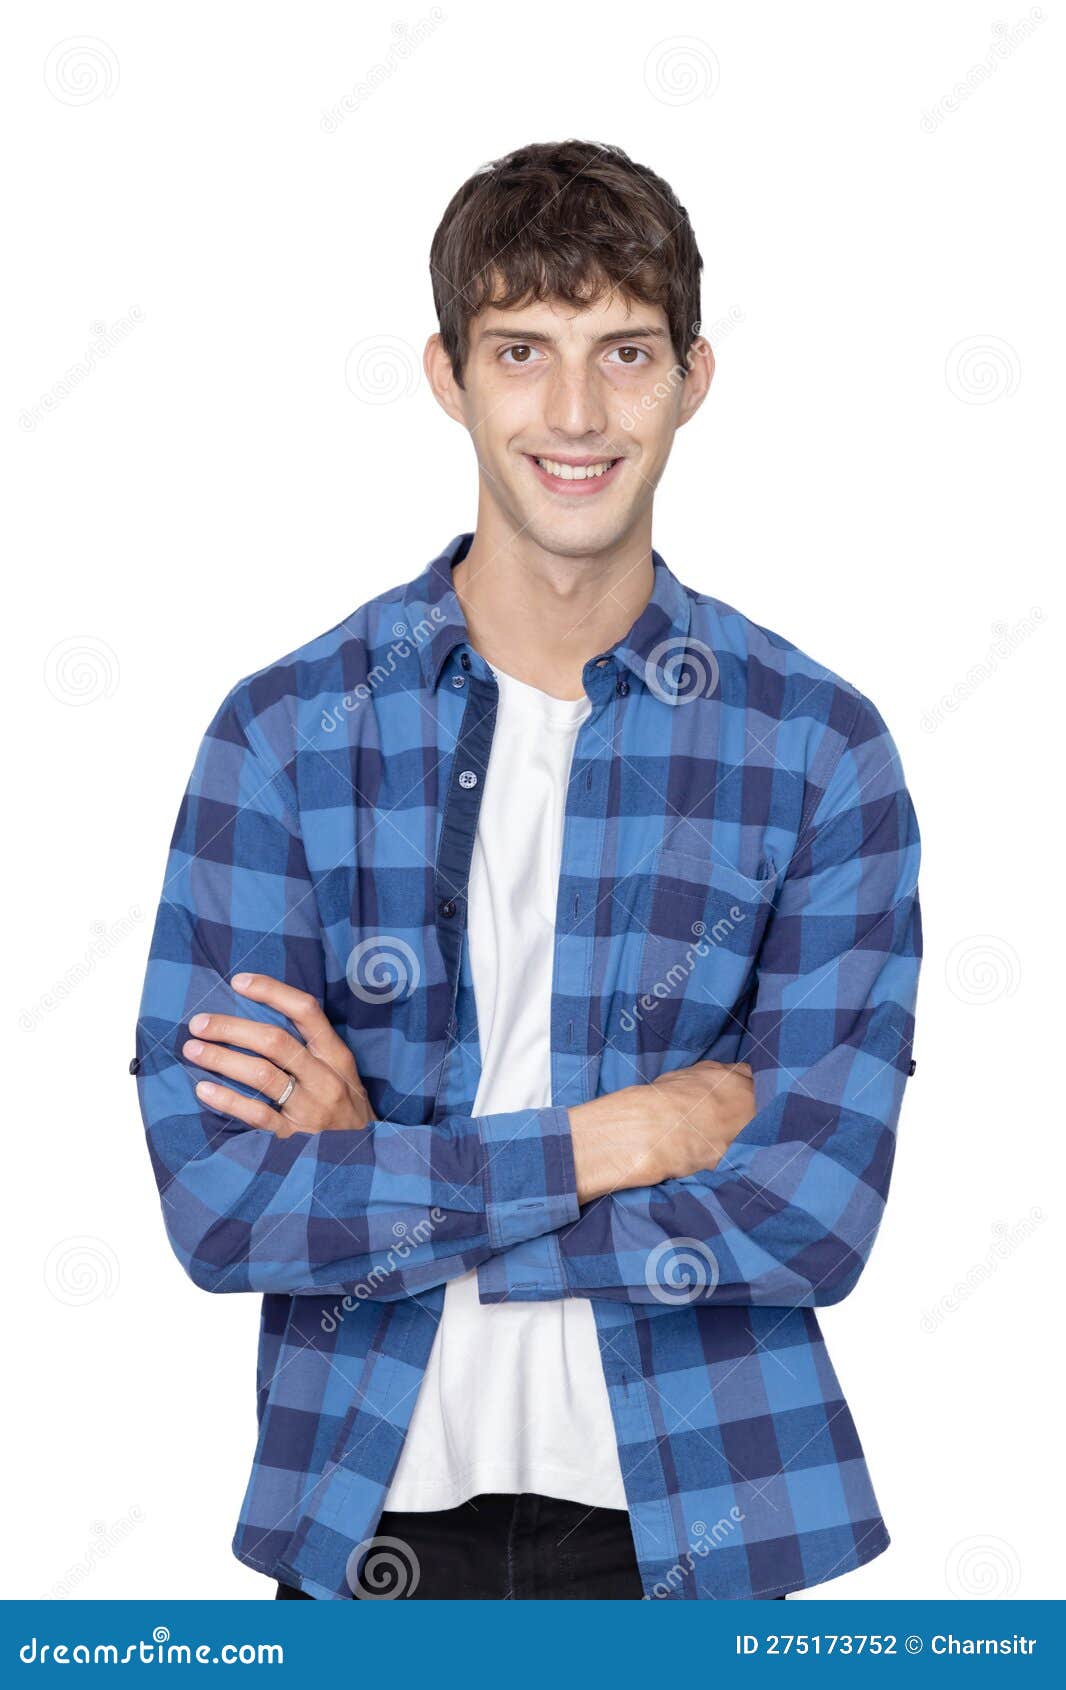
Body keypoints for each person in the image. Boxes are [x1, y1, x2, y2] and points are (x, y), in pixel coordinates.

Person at [133, 140, 922, 1601]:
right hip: (359, 1521)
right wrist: (620, 1136)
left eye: (623, 352)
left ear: (693, 376)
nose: (574, 413)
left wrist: (387, 1177)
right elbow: (225, 1204)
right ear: (447, 374)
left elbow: (815, 1211)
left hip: (716, 1524)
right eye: (522, 351)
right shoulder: (285, 737)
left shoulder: (817, 749)